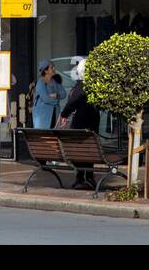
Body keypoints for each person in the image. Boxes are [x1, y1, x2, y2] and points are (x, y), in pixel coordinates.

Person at [58, 58, 100, 188]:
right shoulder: (95, 86)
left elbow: (72, 102)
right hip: (92, 122)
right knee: (88, 150)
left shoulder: (81, 86)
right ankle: (87, 177)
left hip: (81, 123)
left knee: (78, 150)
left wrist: (64, 114)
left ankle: (81, 177)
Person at [31, 60, 61, 129]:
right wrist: (56, 100)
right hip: (43, 117)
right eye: (51, 67)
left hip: (52, 114)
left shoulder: (54, 82)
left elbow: (63, 94)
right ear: (46, 71)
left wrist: (56, 96)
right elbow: (46, 99)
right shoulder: (41, 83)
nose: (54, 69)